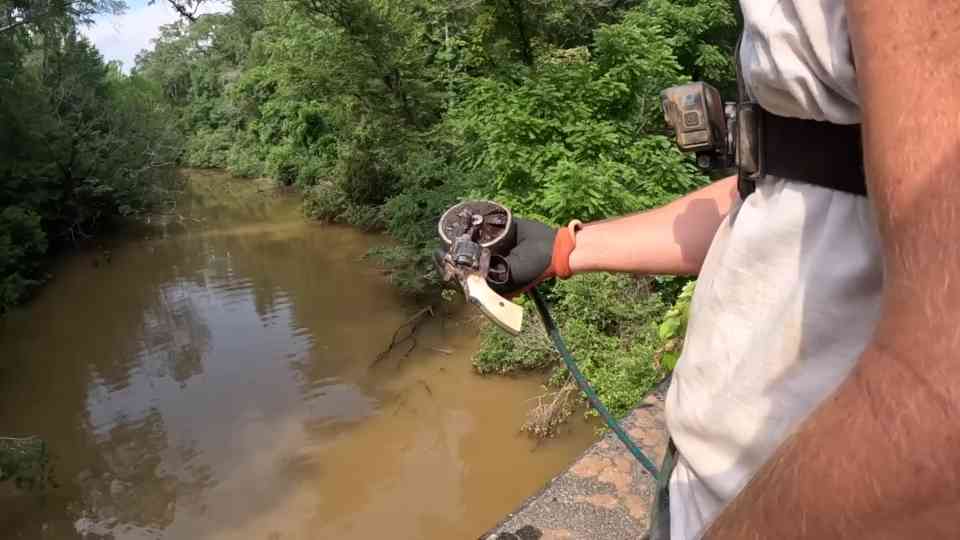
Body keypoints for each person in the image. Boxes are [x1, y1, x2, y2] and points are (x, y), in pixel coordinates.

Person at [489, 1, 960, 538]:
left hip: (781, 499)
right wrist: (567, 248)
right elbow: (786, 190)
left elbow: (944, 404)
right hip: (714, 477)